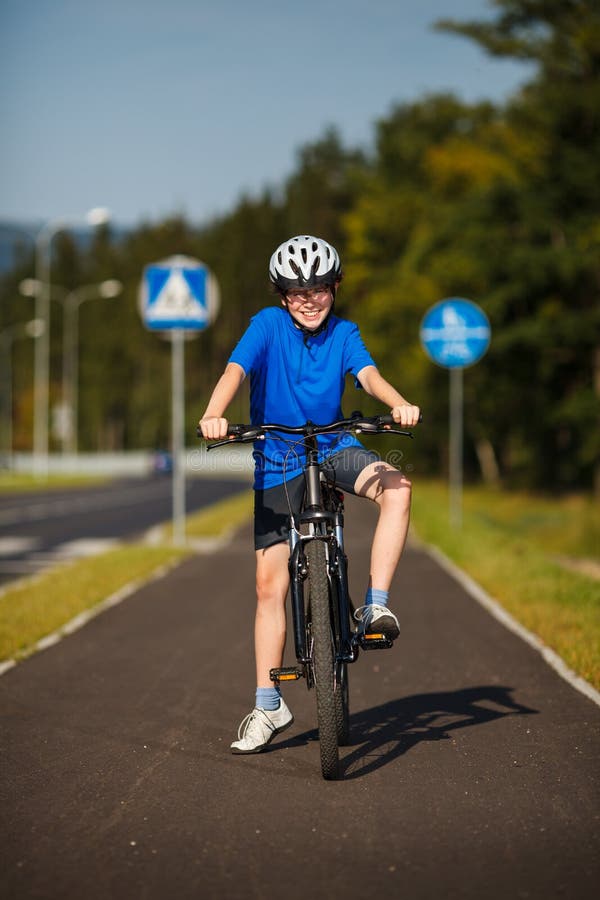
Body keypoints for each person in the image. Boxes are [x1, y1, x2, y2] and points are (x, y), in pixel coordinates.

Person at [199, 235, 420, 754]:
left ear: (334, 287)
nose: (308, 299)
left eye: (318, 288)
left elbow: (368, 375)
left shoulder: (345, 333)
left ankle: (374, 607)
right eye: (297, 291)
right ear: (281, 295)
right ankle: (267, 704)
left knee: (398, 486)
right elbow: (236, 370)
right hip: (276, 460)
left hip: (334, 448)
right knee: (267, 586)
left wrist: (400, 402)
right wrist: (214, 413)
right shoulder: (266, 326)